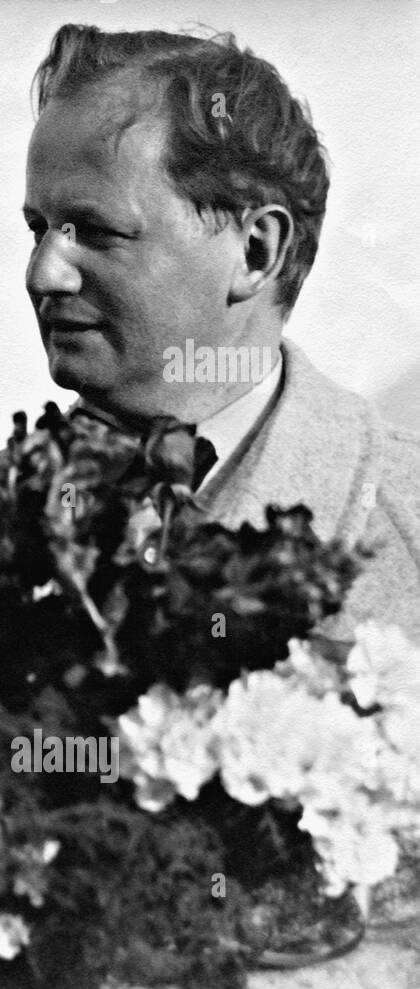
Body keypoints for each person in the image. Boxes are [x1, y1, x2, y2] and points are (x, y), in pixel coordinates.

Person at [22, 25, 420, 642]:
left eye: (96, 231)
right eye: (38, 229)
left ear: (256, 251)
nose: (43, 273)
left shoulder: (404, 524)